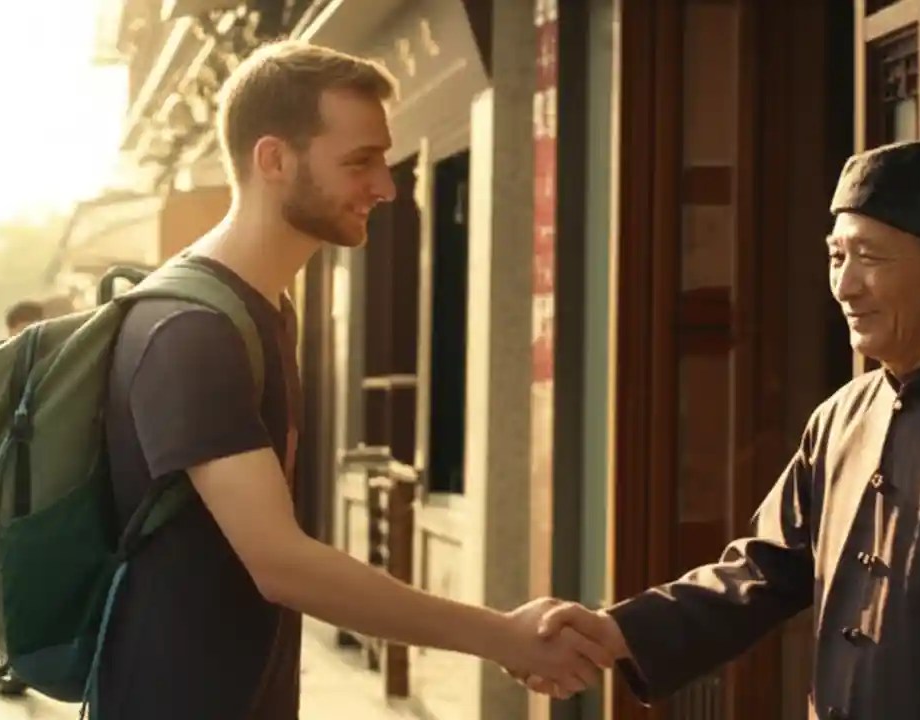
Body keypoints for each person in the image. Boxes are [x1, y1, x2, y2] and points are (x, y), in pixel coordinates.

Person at [522, 141, 920, 719]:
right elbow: (760, 571)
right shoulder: (839, 418)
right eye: (835, 257)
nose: (844, 286)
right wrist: (617, 631)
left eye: (869, 258)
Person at [95, 40, 608, 719]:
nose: (388, 186)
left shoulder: (262, 310)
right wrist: (503, 634)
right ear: (274, 160)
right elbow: (282, 563)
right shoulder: (192, 330)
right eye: (360, 161)